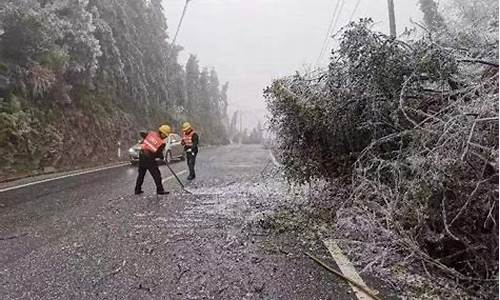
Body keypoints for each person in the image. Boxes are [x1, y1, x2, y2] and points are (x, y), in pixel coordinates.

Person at [134, 125, 172, 195]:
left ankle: (137, 190)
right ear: (162, 133)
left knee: (141, 174)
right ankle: (160, 190)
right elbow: (158, 153)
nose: (166, 137)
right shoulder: (162, 143)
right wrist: (162, 157)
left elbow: (143, 134)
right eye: (166, 135)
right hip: (149, 159)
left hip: (142, 155)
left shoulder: (151, 133)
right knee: (157, 175)